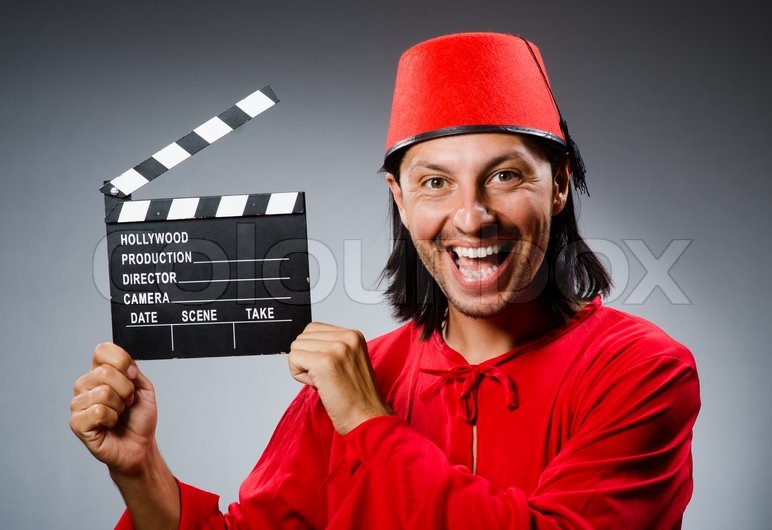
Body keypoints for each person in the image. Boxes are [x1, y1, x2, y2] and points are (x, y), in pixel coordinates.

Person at [70, 32, 700, 529]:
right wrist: (140, 469)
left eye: (505, 176)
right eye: (435, 182)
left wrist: (369, 424)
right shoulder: (361, 376)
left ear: (559, 183)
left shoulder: (642, 370)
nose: (472, 216)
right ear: (399, 199)